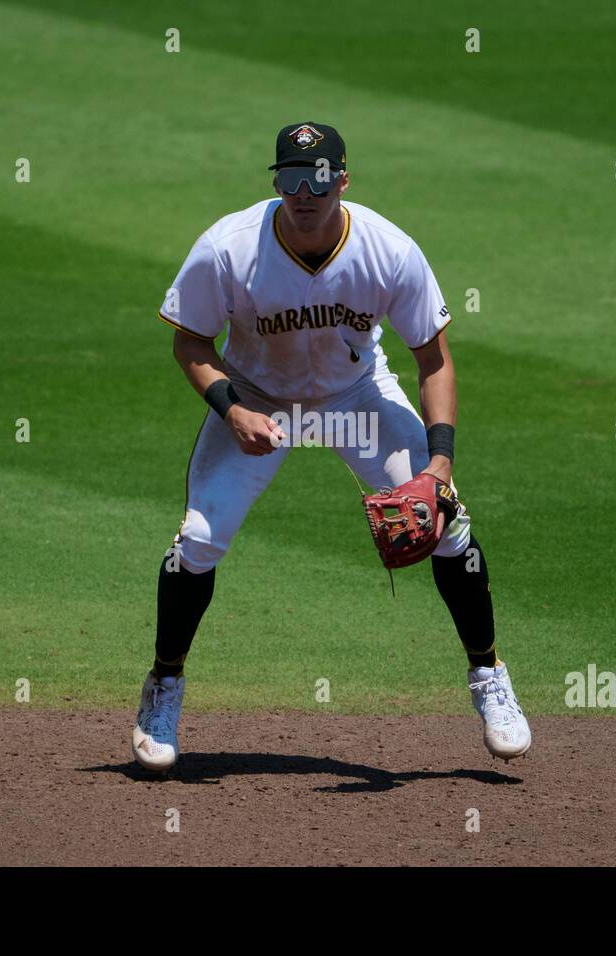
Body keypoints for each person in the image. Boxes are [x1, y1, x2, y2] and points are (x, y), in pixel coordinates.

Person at [133, 122, 531, 771]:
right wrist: (231, 410)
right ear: (277, 183)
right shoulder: (228, 248)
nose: (303, 193)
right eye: (289, 178)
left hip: (356, 401)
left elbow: (433, 360)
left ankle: (489, 678)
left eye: (317, 178)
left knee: (446, 521)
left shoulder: (387, 250)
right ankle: (164, 685)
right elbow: (190, 344)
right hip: (258, 398)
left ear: (342, 179)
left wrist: (439, 464)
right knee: (200, 538)